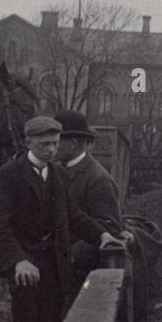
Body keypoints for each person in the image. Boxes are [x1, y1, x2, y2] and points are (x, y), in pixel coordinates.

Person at [0, 115, 126, 322]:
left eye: (54, 143)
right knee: (26, 302)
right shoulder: (8, 174)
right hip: (24, 255)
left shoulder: (59, 174)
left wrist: (102, 235)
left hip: (53, 254)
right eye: (44, 144)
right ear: (28, 142)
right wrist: (18, 260)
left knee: (53, 309)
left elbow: (73, 215)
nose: (51, 149)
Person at [54, 109, 123, 294]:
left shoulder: (97, 178)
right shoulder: (57, 170)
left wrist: (69, 256)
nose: (52, 146)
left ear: (73, 144)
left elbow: (111, 228)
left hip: (79, 272)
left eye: (57, 141)